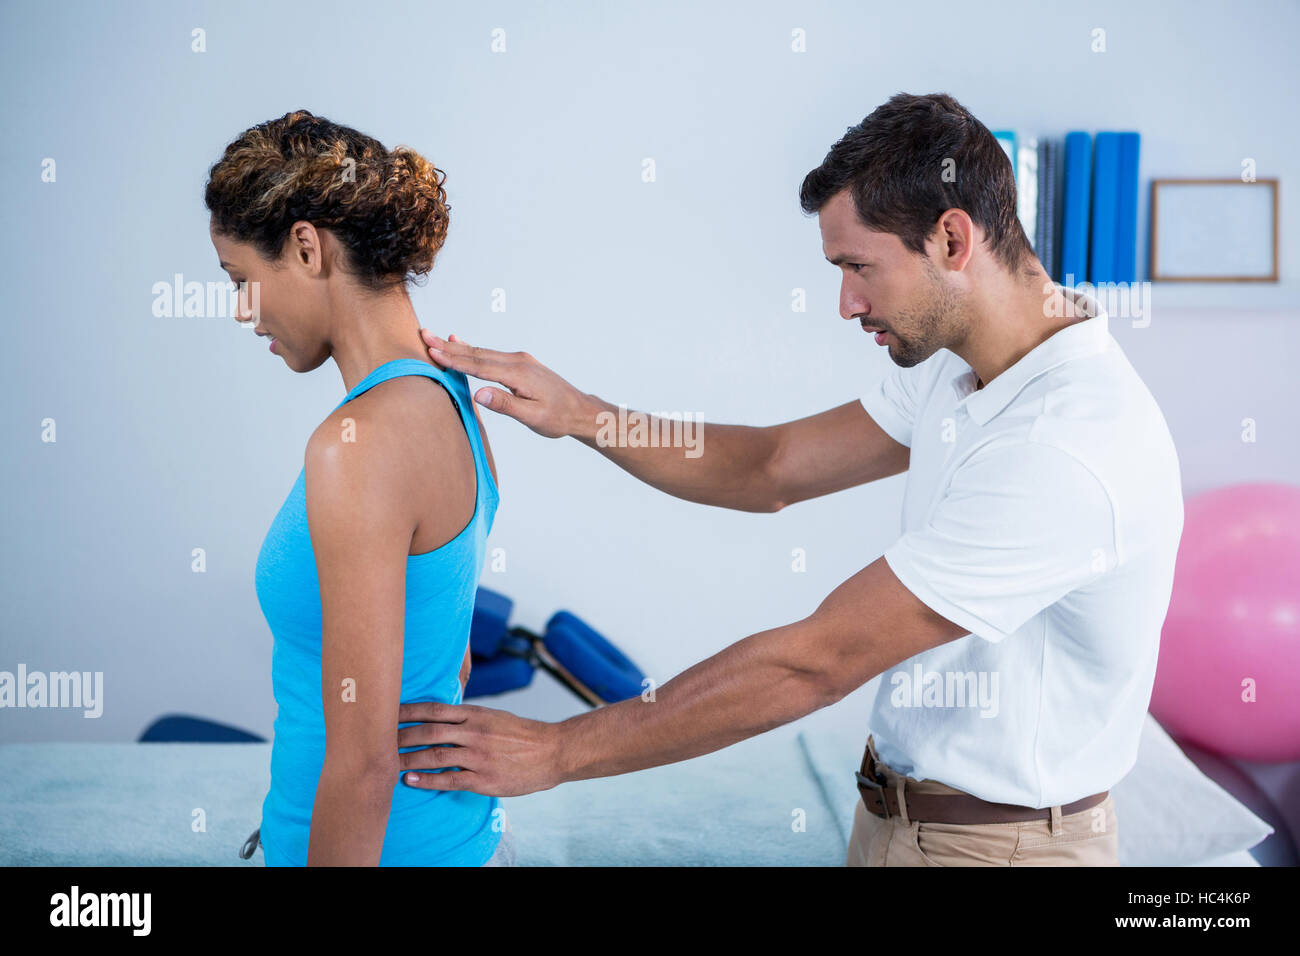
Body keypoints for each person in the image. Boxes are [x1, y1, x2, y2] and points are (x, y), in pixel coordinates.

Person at [395, 92, 1184, 866]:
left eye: (859, 267)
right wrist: (585, 415)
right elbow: (771, 467)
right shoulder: (961, 363)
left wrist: (560, 750)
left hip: (1000, 849)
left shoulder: (1066, 447)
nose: (847, 304)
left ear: (952, 238)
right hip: (897, 813)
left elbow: (818, 660)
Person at [205, 110, 511, 866]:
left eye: (244, 281)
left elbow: (366, 762)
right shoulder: (456, 400)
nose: (245, 315)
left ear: (307, 247)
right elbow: (451, 660)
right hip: (451, 841)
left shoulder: (359, 447)